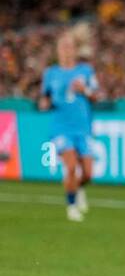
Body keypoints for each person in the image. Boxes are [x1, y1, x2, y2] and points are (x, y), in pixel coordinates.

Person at [39, 27, 100, 222]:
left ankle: (79, 188)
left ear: (75, 50)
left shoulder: (85, 71)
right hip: (61, 128)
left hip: (82, 128)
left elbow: (96, 97)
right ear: (58, 50)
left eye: (69, 47)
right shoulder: (51, 73)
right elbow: (45, 98)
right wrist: (44, 103)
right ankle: (71, 206)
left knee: (89, 173)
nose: (66, 50)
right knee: (71, 166)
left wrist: (85, 90)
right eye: (62, 47)